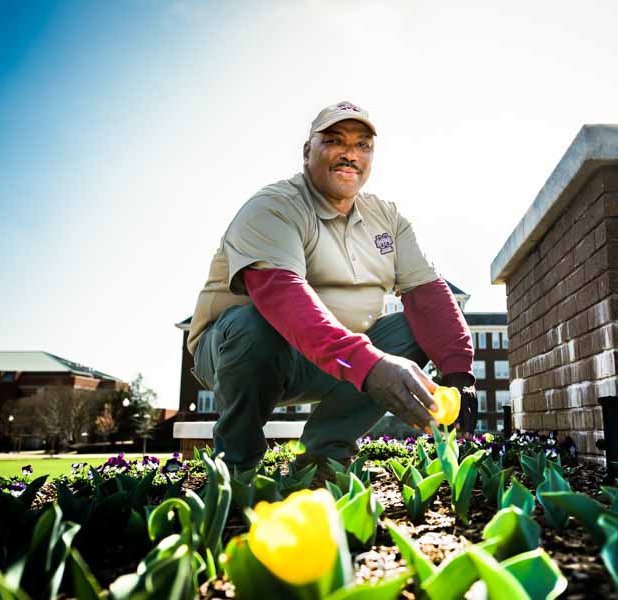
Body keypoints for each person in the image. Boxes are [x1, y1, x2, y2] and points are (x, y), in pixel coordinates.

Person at [188, 100, 477, 471]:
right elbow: (284, 300)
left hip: (337, 358)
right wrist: (370, 366)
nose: (349, 154)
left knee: (416, 328)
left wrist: (460, 374)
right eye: (335, 141)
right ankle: (237, 465)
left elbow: (429, 296)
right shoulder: (274, 207)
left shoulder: (388, 219)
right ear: (307, 152)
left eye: (362, 145)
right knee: (255, 323)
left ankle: (323, 455)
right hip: (242, 353)